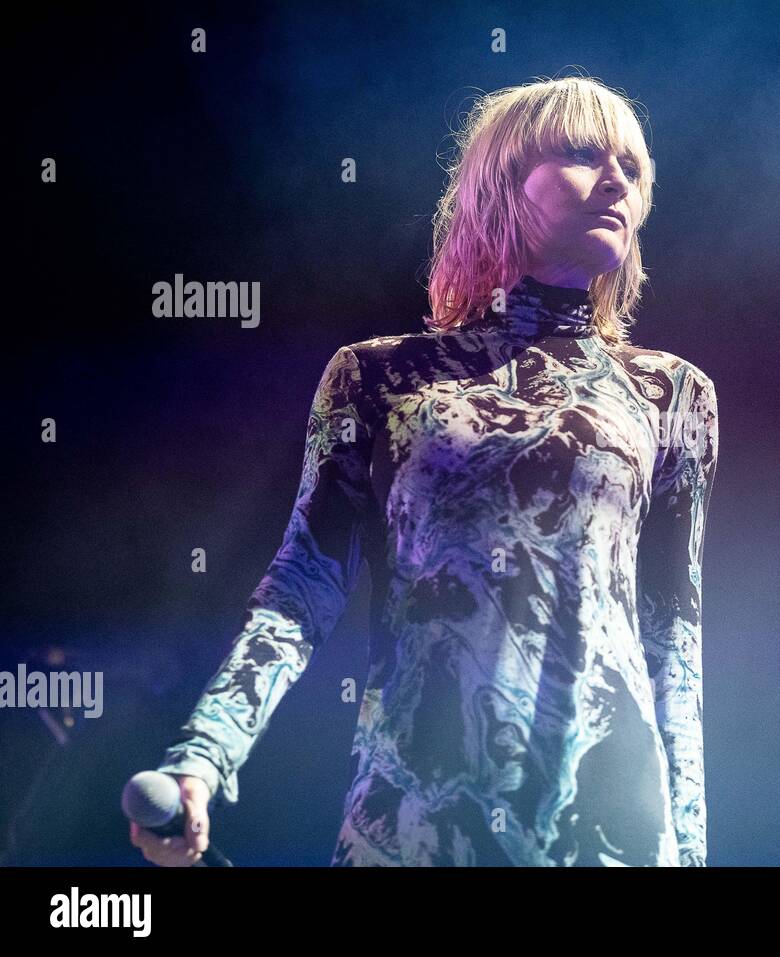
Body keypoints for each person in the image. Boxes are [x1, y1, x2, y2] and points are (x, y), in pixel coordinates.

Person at [130, 75, 720, 867]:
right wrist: (202, 758)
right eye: (583, 153)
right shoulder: (377, 378)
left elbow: (673, 639)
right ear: (504, 181)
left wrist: (691, 846)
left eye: (634, 166)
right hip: (418, 810)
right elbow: (302, 586)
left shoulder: (674, 394)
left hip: (607, 821)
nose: (617, 179)